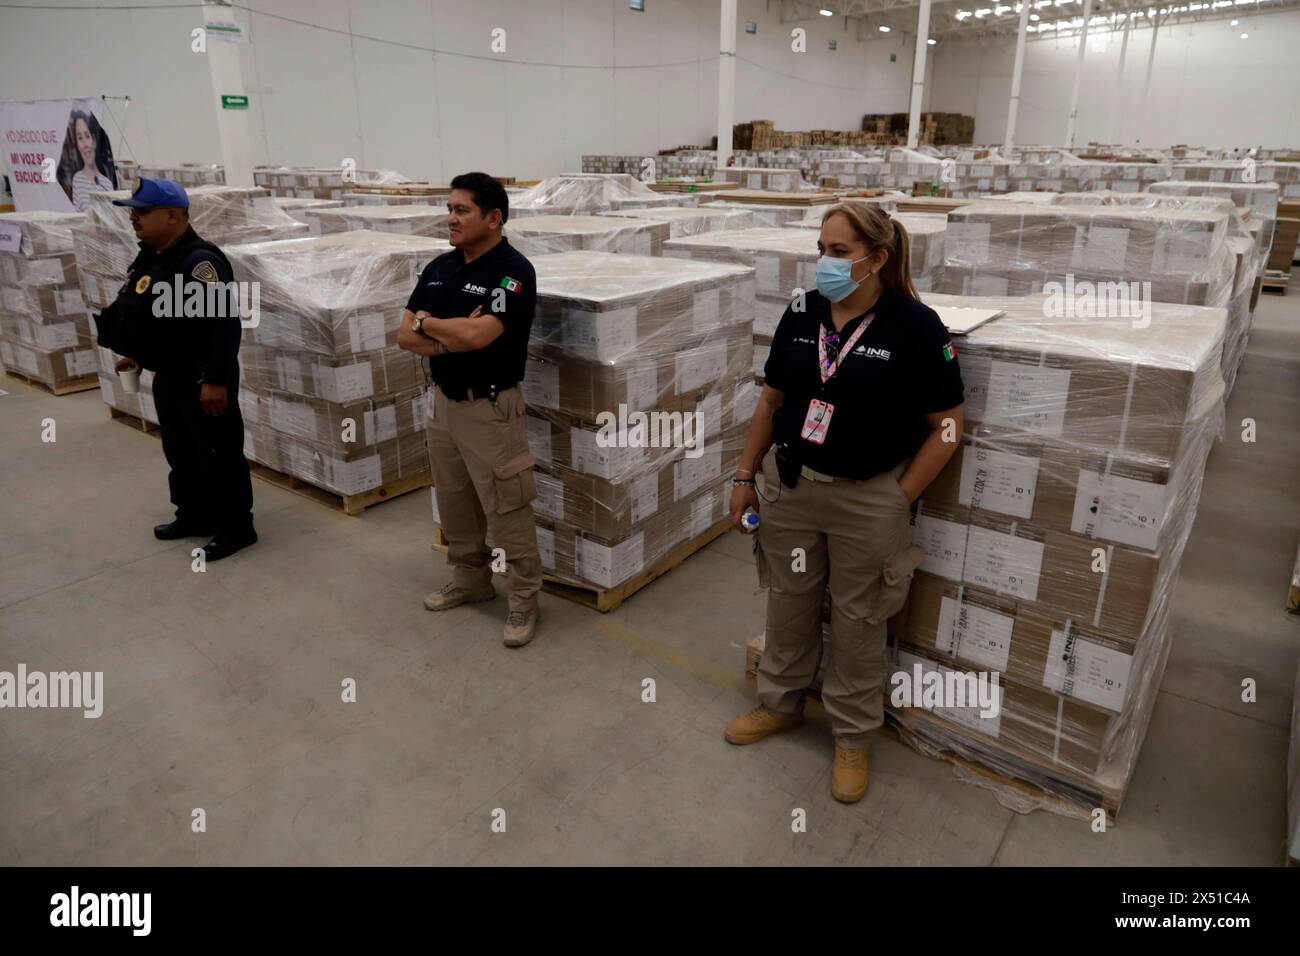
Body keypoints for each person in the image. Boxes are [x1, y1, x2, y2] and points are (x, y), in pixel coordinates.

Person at [724, 202, 964, 804]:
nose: (823, 264)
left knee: (859, 620)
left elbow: (951, 426)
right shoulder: (802, 311)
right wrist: (743, 473)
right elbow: (772, 401)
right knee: (790, 598)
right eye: (821, 250)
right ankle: (779, 705)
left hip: (867, 501)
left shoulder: (915, 326)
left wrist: (899, 498)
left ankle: (853, 736)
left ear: (876, 258)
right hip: (792, 488)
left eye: (837, 253)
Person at [398, 171, 542, 648]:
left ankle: (523, 600)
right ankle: (470, 582)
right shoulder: (439, 267)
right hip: (443, 404)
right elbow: (403, 335)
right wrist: (446, 335)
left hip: (491, 407)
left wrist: (428, 324)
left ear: (494, 218)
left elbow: (480, 336)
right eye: (449, 209)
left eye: (461, 210)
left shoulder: (512, 272)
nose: (451, 218)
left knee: (507, 507)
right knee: (456, 502)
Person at [93, 178, 256, 561]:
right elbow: (154, 317)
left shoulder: (200, 262)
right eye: (133, 211)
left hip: (202, 378)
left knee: (217, 454)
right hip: (169, 375)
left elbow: (223, 325)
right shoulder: (154, 254)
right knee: (181, 451)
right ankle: (194, 515)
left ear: (171, 215)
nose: (134, 218)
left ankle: (236, 528)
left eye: (142, 211)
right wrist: (139, 354)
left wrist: (215, 380)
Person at [56, 110, 116, 211]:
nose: (85, 145)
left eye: (87, 136)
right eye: (80, 138)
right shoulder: (77, 180)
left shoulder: (107, 184)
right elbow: (78, 217)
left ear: (94, 142)